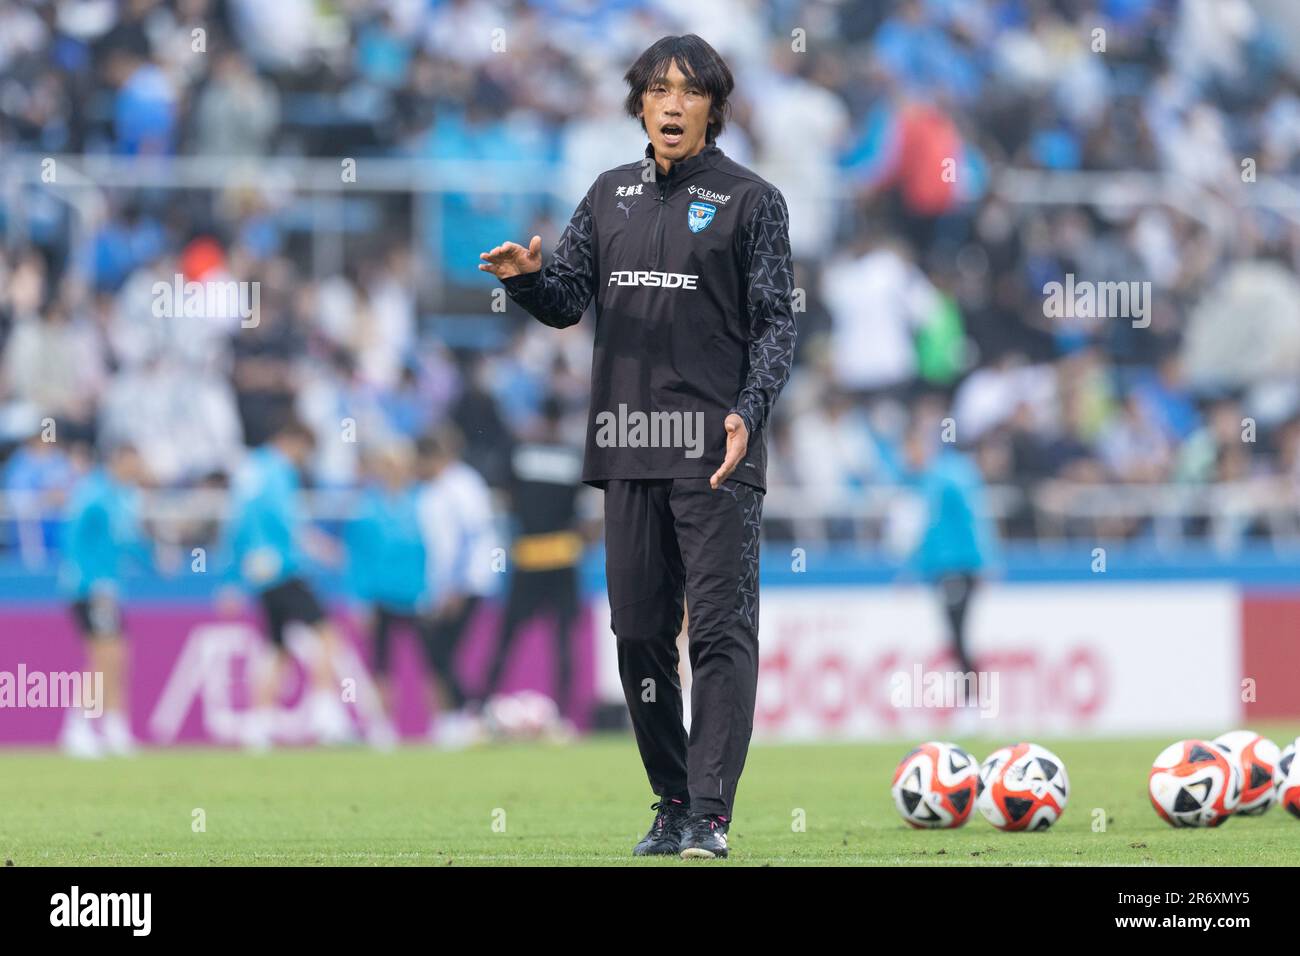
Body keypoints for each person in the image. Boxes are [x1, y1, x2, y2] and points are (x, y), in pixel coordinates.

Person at [479, 35, 796, 859]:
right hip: (628, 447)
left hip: (716, 452)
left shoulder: (752, 202)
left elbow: (776, 325)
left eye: (690, 91)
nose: (671, 103)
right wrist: (523, 281)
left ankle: (712, 815)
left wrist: (749, 412)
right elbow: (566, 300)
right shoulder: (608, 194)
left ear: (713, 108)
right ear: (639, 104)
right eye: (657, 88)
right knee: (638, 632)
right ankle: (672, 799)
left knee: (720, 631)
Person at [218, 417, 350, 749]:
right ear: (293, 441)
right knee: (327, 634)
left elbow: (237, 524)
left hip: (258, 572)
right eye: (303, 452)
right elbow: (285, 520)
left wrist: (234, 576)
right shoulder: (279, 471)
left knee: (276, 648)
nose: (302, 460)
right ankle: (326, 714)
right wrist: (319, 547)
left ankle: (257, 725)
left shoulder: (249, 469)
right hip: (284, 567)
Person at [481, 397, 584, 723]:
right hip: (562, 555)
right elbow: (590, 511)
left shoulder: (521, 453)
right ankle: (566, 712)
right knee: (564, 639)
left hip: (528, 554)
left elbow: (502, 495)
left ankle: (484, 703)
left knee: (507, 637)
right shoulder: (574, 457)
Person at [58, 444, 155, 757]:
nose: (137, 469)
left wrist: (155, 560)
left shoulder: (122, 497)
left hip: (110, 589)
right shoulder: (92, 493)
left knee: (117, 656)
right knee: (102, 657)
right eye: (133, 462)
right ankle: (78, 728)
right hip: (90, 588)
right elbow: (72, 538)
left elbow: (128, 542)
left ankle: (114, 726)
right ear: (119, 460)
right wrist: (89, 580)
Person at [900, 410, 1000, 693]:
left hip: (958, 567)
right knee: (955, 636)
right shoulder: (937, 477)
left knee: (958, 636)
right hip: (946, 568)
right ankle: (970, 699)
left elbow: (973, 521)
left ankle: (972, 700)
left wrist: (985, 561)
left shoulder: (949, 477)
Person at [416, 427, 497, 747]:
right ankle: (457, 716)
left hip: (465, 583)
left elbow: (469, 536)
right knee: (438, 653)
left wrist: (455, 587)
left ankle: (468, 714)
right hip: (444, 585)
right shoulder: (434, 490)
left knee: (443, 651)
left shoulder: (461, 485)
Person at [346, 441, 429, 749]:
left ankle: (440, 722)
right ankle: (382, 727)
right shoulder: (367, 507)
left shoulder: (422, 501)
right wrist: (359, 599)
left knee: (430, 661)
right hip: (381, 595)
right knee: (382, 664)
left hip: (416, 594)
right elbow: (358, 558)